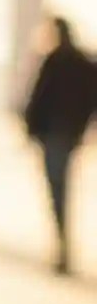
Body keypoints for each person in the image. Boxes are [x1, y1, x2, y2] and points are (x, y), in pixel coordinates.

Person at [23, 16, 97, 275]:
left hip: (55, 135)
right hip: (67, 135)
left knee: (57, 190)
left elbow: (37, 98)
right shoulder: (83, 63)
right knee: (61, 189)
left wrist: (30, 128)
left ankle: (63, 246)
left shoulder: (55, 61)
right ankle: (63, 246)